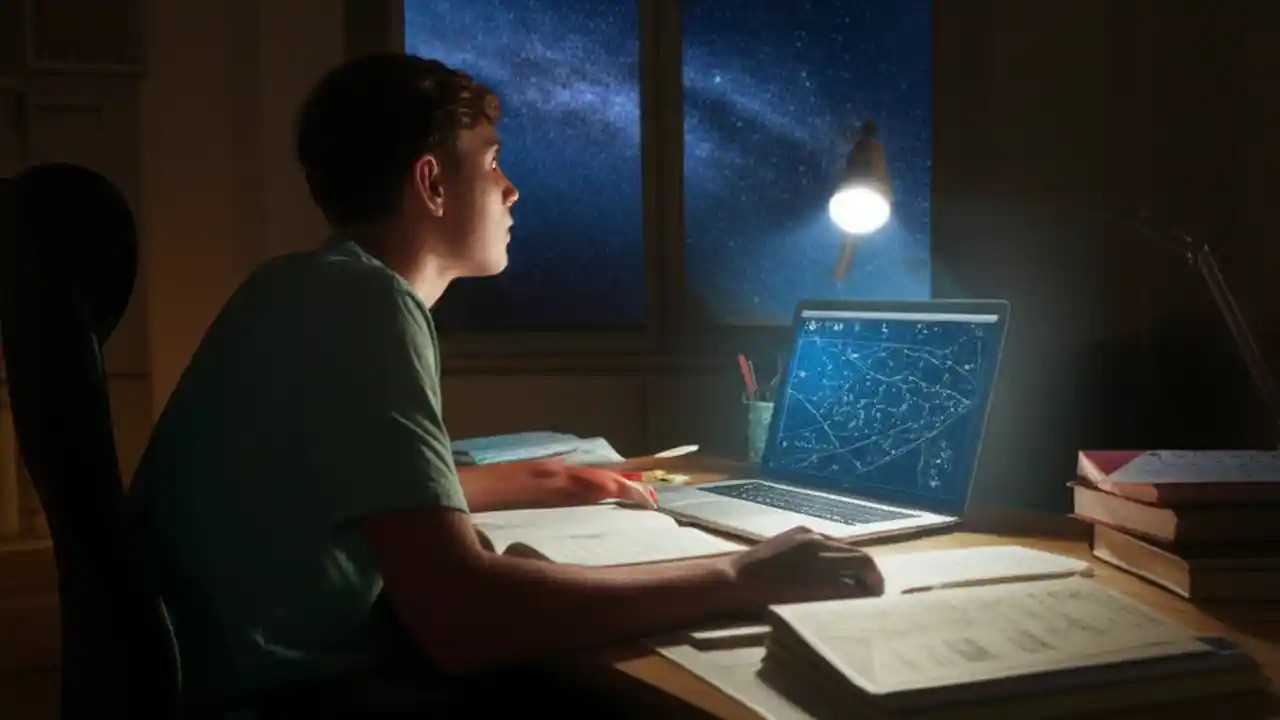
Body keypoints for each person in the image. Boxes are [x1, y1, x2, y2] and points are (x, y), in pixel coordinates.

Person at [128, 52, 883, 714]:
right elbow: (465, 618)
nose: (512, 189)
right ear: (431, 183)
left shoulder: (298, 286)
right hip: (278, 700)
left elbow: (329, 488)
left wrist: (543, 478)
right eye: (491, 163)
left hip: (218, 677)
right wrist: (741, 571)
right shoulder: (368, 306)